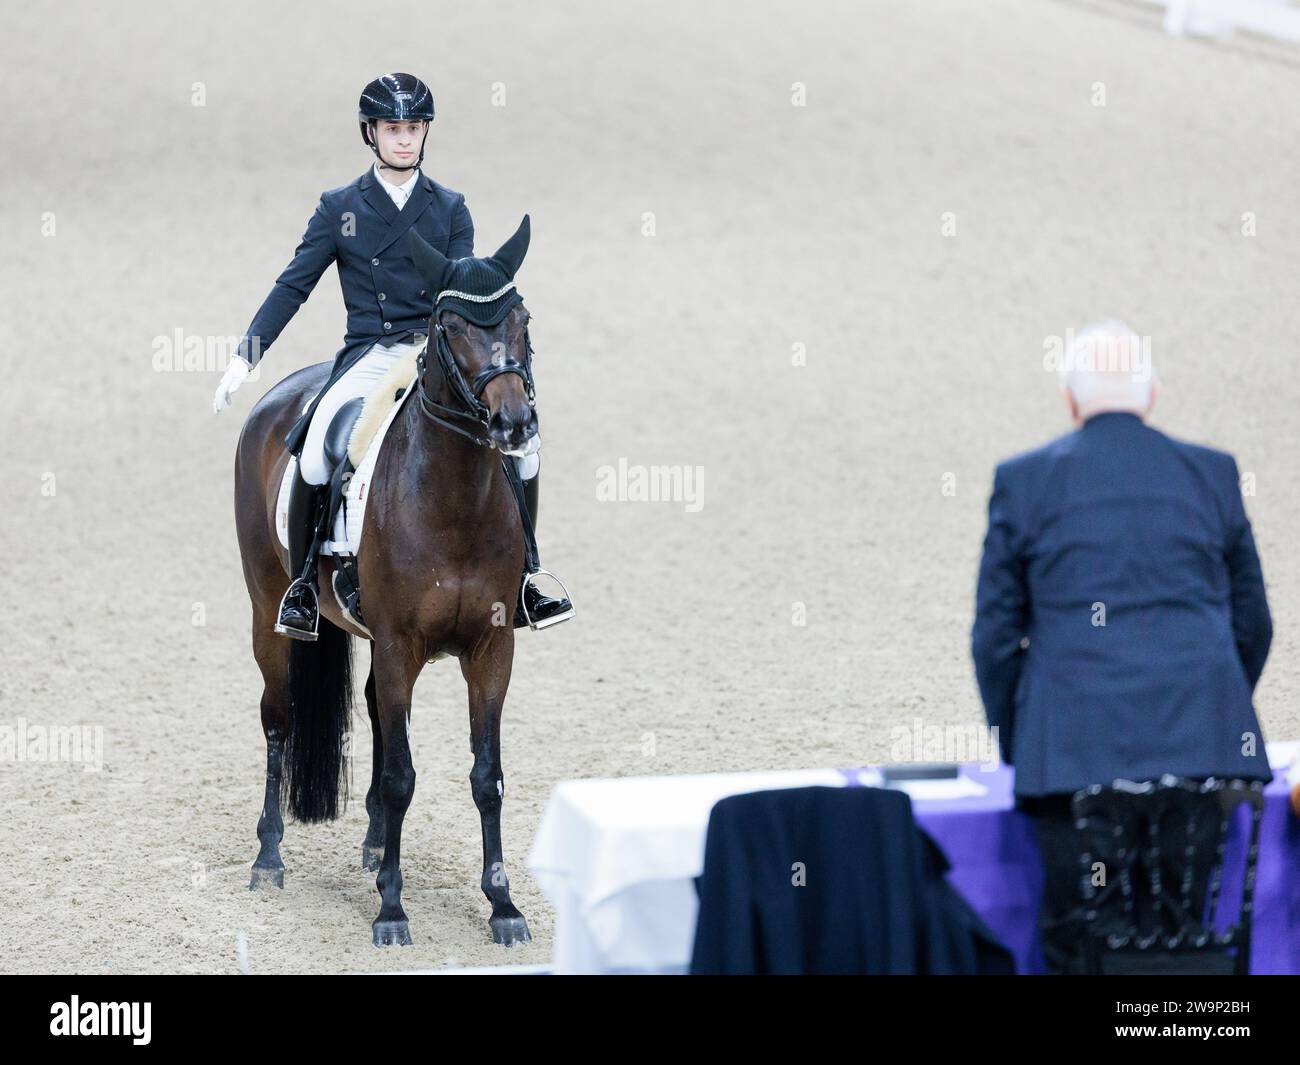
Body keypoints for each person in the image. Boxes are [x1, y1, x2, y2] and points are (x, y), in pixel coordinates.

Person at [212, 73, 573, 639]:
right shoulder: (340, 208)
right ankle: (306, 583)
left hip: (437, 354)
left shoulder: (450, 207)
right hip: (372, 355)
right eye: (392, 129)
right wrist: (246, 355)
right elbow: (295, 284)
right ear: (371, 134)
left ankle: (525, 575)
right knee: (316, 450)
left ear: (424, 133)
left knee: (523, 445)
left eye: (413, 128)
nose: (404, 139)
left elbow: (461, 291)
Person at [971, 321, 1273, 971]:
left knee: (1082, 939)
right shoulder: (1212, 473)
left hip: (1072, 755)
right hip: (1200, 754)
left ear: (1069, 399)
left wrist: (1022, 740)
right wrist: (1209, 706)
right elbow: (1253, 622)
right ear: (1153, 393)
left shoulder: (1024, 481)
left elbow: (995, 634)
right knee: (1180, 938)